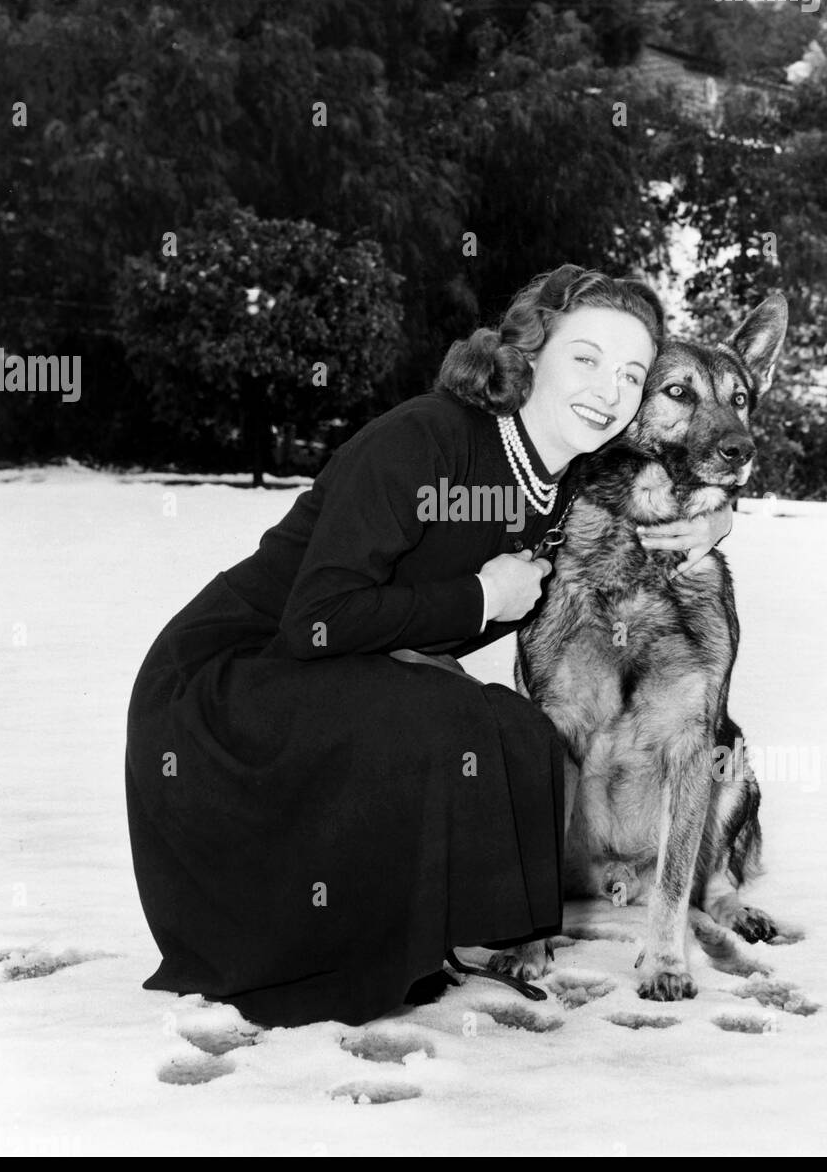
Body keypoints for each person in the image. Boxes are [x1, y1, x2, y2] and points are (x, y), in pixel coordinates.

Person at [124, 263, 731, 1029]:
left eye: (630, 374)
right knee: (443, 716)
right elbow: (318, 618)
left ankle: (424, 932)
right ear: (531, 352)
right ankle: (307, 948)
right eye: (585, 359)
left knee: (513, 729)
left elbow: (675, 475)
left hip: (334, 673)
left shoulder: (566, 477)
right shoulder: (428, 439)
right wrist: (477, 598)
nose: (607, 389)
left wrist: (714, 524)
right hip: (228, 681)